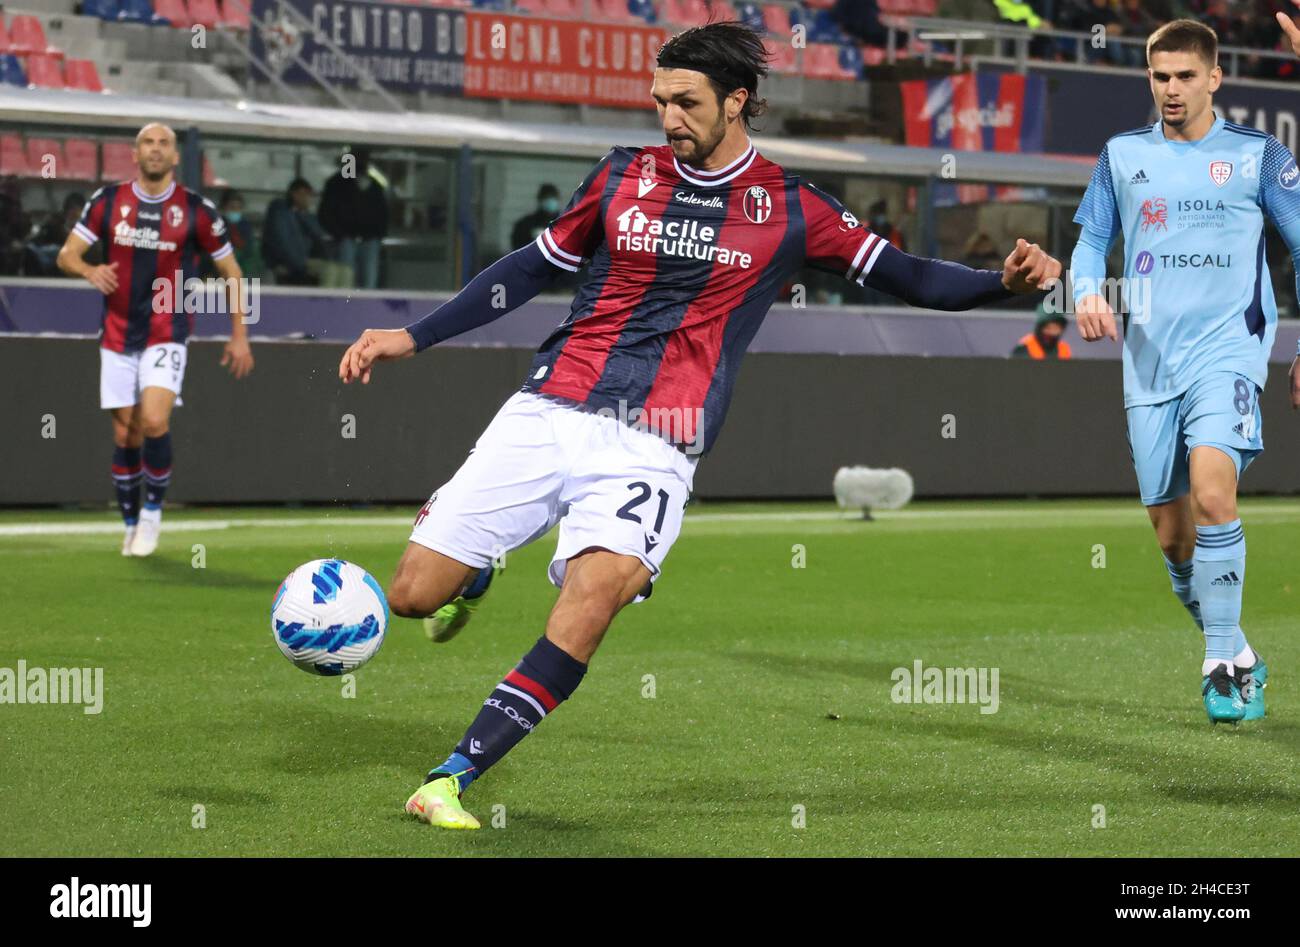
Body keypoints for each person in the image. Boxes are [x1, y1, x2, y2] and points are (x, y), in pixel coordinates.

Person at [338, 21, 1060, 830]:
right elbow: (530, 268)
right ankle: (472, 574)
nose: (668, 117)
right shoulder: (621, 177)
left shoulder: (792, 208)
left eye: (686, 102)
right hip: (552, 407)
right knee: (410, 594)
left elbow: (915, 278)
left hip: (659, 440)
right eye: (659, 101)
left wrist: (1004, 280)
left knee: (593, 598)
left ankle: (451, 775)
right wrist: (414, 335)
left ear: (737, 101)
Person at [1070, 20, 1300, 724]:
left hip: (1228, 350)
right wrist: (1083, 290)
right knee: (1176, 543)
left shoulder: (1260, 156)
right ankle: (1238, 655)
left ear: (1215, 77)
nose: (1172, 89)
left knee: (1212, 492)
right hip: (1149, 360)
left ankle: (1217, 662)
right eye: (1160, 76)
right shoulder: (1122, 156)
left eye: (1185, 76)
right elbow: (1089, 243)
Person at [56, 122, 254, 557]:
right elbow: (66, 254)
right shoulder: (108, 201)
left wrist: (240, 335)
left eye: (165, 143)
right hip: (117, 333)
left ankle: (151, 515)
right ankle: (129, 522)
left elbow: (233, 273)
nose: (157, 149)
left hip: (168, 331)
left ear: (177, 156)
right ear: (135, 152)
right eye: (149, 142)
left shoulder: (197, 211)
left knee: (154, 422)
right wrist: (90, 270)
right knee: (126, 435)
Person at [318, 148, 387, 289]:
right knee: (346, 282)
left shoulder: (375, 185)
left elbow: (383, 213)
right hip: (347, 240)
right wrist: (340, 234)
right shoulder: (337, 184)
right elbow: (325, 212)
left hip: (368, 240)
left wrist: (377, 235)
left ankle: (363, 309)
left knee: (367, 283)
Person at [263, 178, 350, 288]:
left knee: (346, 271)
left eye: (309, 195)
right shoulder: (280, 213)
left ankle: (343, 304)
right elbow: (283, 242)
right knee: (330, 271)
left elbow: (319, 235)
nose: (308, 199)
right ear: (294, 194)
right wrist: (298, 264)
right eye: (304, 195)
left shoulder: (305, 215)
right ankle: (324, 304)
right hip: (289, 262)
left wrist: (304, 215)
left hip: (305, 259)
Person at [217, 189, 261, 278]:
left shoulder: (245, 227)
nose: (235, 211)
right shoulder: (216, 226)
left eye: (238, 208)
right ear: (223, 208)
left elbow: (250, 252)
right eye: (232, 208)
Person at [510, 184, 560, 250]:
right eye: (546, 198)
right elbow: (517, 246)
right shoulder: (525, 224)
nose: (550, 202)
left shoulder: (564, 224)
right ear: (540, 200)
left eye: (552, 198)